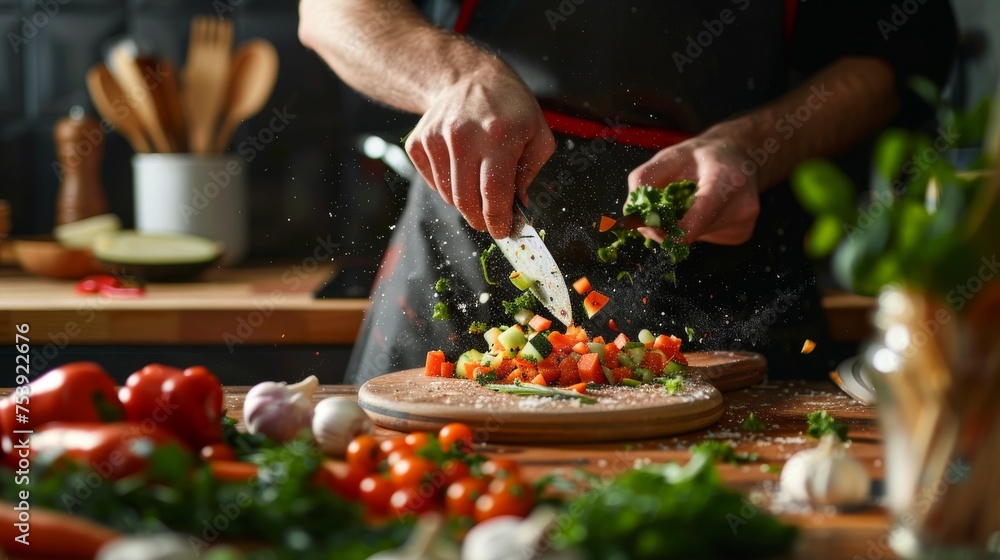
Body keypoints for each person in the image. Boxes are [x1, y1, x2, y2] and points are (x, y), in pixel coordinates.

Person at [299, 0, 957, 384]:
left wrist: (756, 145)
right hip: (468, 249)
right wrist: (455, 78)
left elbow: (890, 59)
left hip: (728, 244)